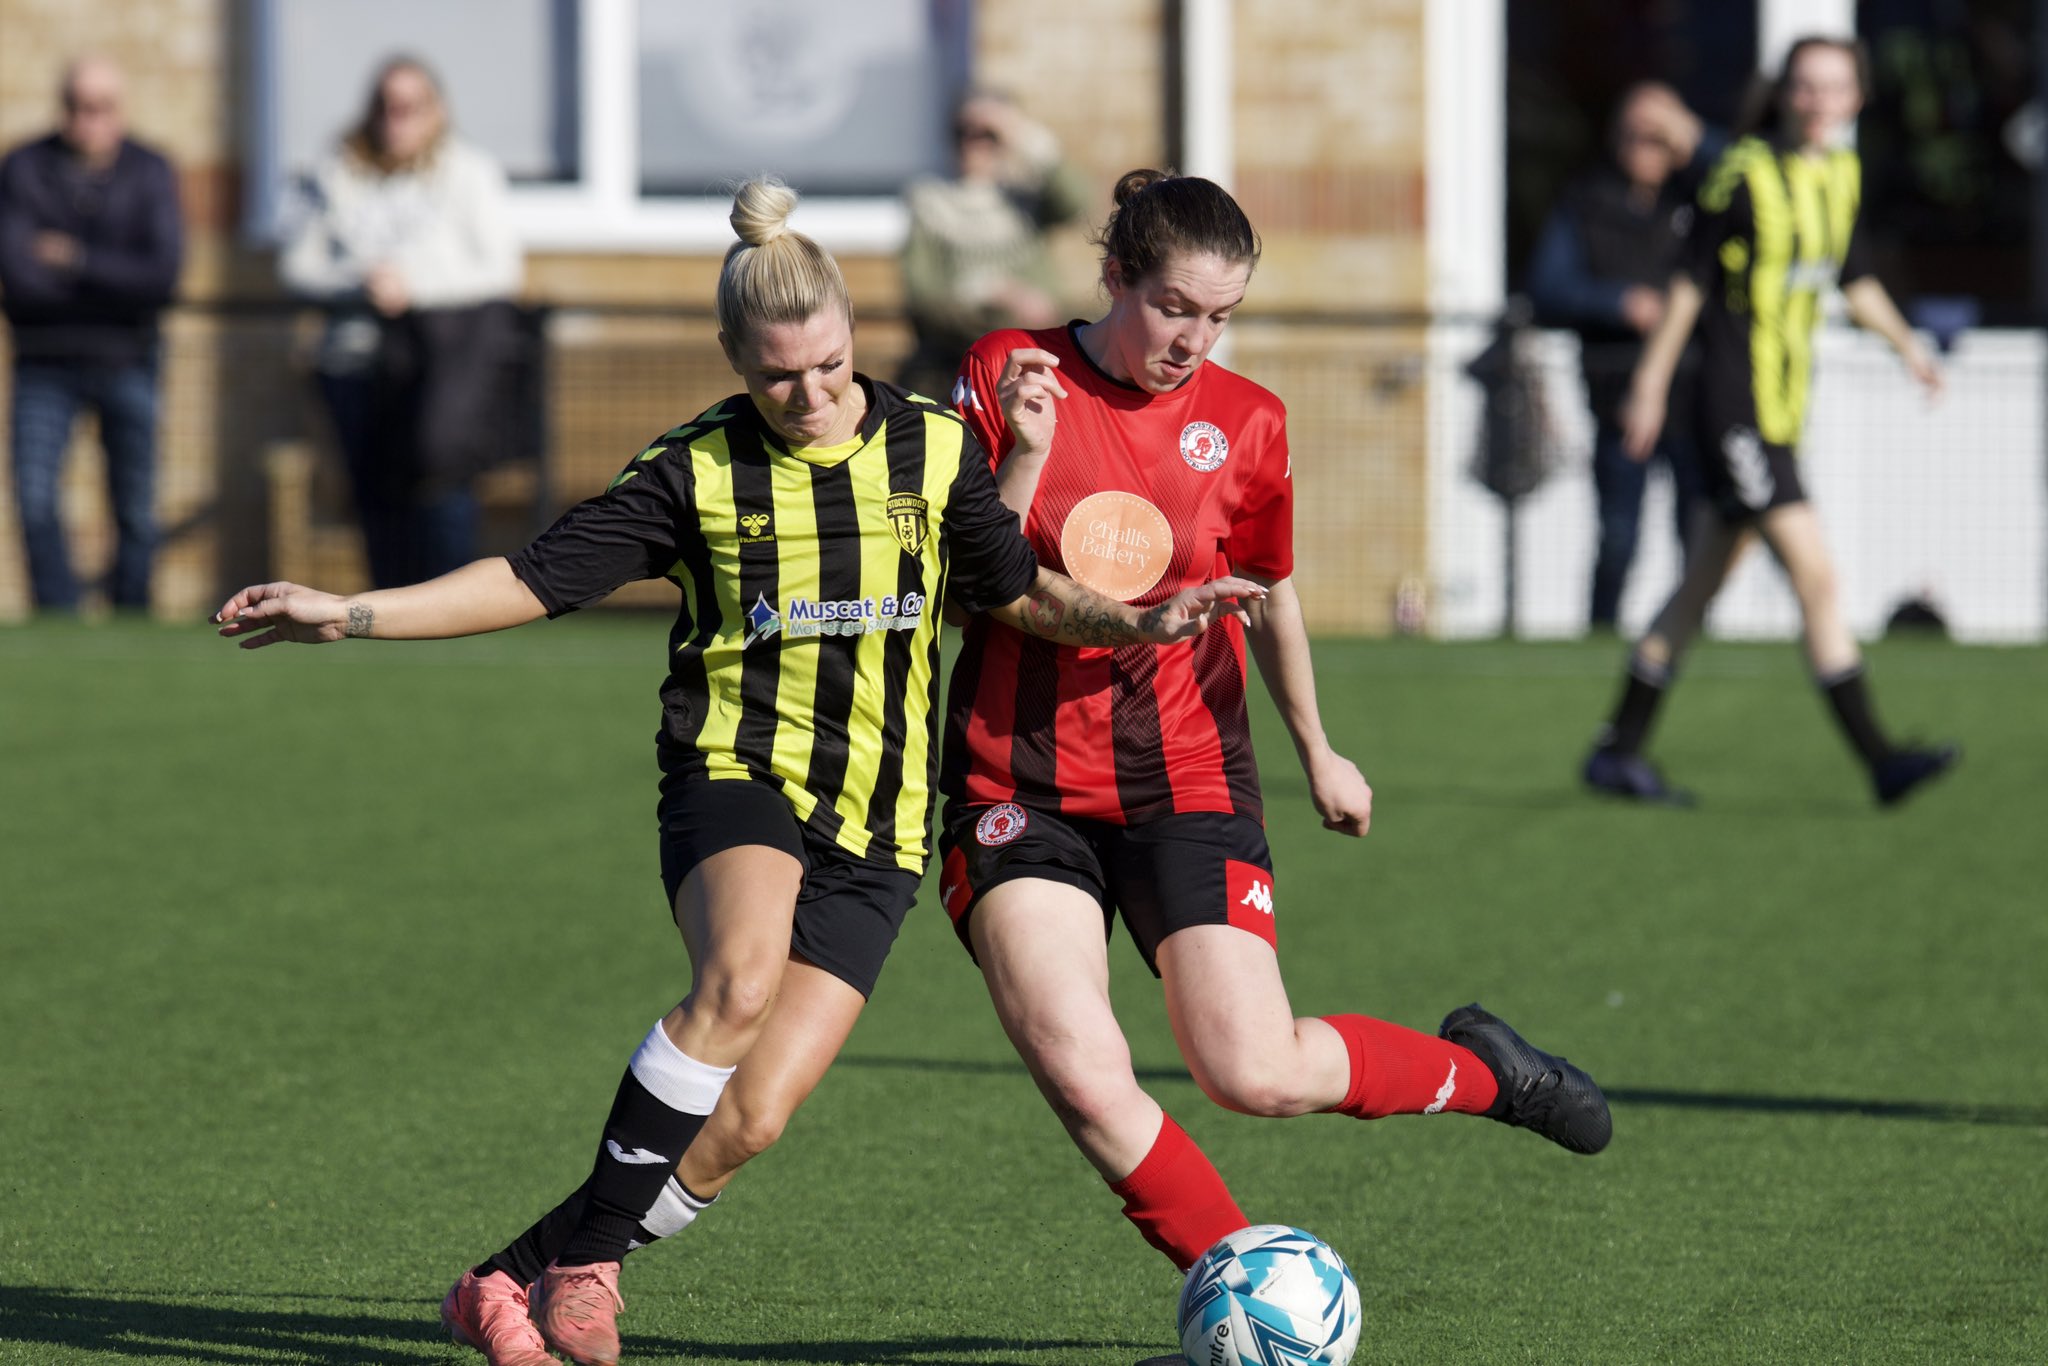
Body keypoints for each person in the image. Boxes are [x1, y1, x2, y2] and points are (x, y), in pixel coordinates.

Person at [217, 177, 1260, 1366]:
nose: (809, 395)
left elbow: (1013, 591)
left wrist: (1146, 621)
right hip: (737, 779)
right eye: (775, 376)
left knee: (747, 1118)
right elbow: (528, 576)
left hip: (882, 825)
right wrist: (347, 614)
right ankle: (590, 1276)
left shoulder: (926, 444)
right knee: (740, 979)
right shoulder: (693, 471)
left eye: (825, 364)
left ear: (851, 332)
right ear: (731, 358)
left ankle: (505, 1279)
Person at [931, 169, 1613, 1279]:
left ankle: (1490, 1075)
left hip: (1186, 772)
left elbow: (1268, 590)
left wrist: (1318, 749)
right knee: (1076, 1060)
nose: (1194, 339)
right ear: (1113, 277)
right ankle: (1242, 1287)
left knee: (1253, 1072)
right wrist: (1022, 453)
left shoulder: (1247, 424)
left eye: (1220, 317)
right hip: (1017, 783)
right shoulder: (1008, 373)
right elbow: (972, 585)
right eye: (1173, 307)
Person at [1583, 36, 1958, 808]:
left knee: (1701, 585)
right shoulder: (1744, 176)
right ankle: (1882, 760)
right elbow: (1686, 285)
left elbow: (1851, 278)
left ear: (1856, 99)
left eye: (1835, 89)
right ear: (1785, 95)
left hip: (1782, 410)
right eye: (1806, 88)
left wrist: (1909, 350)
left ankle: (1618, 749)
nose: (1820, 103)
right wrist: (1651, 385)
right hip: (1733, 409)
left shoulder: (1842, 174)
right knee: (1818, 577)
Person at [279, 55, 524, 590]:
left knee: (441, 489)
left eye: (410, 107)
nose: (397, 119)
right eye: (387, 107)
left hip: (437, 368)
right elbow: (297, 266)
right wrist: (360, 282)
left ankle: (450, 609)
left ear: (435, 111)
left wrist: (414, 287)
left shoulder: (469, 171)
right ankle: (386, 615)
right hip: (354, 362)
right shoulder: (338, 168)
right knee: (373, 497)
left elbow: (500, 270)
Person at [1527, 81, 1718, 631]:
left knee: (1699, 536)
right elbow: (1548, 288)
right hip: (1618, 397)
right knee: (1619, 536)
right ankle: (1601, 637)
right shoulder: (1588, 201)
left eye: (1659, 136)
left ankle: (1688, 638)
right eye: (1636, 133)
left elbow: (1750, 174)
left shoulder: (1702, 197)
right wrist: (1620, 304)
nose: (1646, 146)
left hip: (1694, 396)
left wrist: (1693, 138)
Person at [0, 55, 182, 614]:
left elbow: (160, 277)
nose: (89, 119)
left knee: (134, 506)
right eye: (79, 106)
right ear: (64, 107)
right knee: (34, 499)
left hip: (129, 356)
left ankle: (133, 614)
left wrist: (73, 258)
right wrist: (112, 276)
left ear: (120, 111)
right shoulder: (25, 168)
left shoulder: (151, 171)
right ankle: (56, 616)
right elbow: (20, 277)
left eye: (101, 107)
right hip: (43, 360)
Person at [897, 90, 1090, 401]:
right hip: (960, 366)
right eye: (963, 132)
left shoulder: (1025, 197)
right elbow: (922, 298)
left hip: (1040, 362)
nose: (974, 142)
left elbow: (1077, 205)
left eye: (988, 134)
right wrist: (995, 295)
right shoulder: (930, 202)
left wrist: (1025, 137)